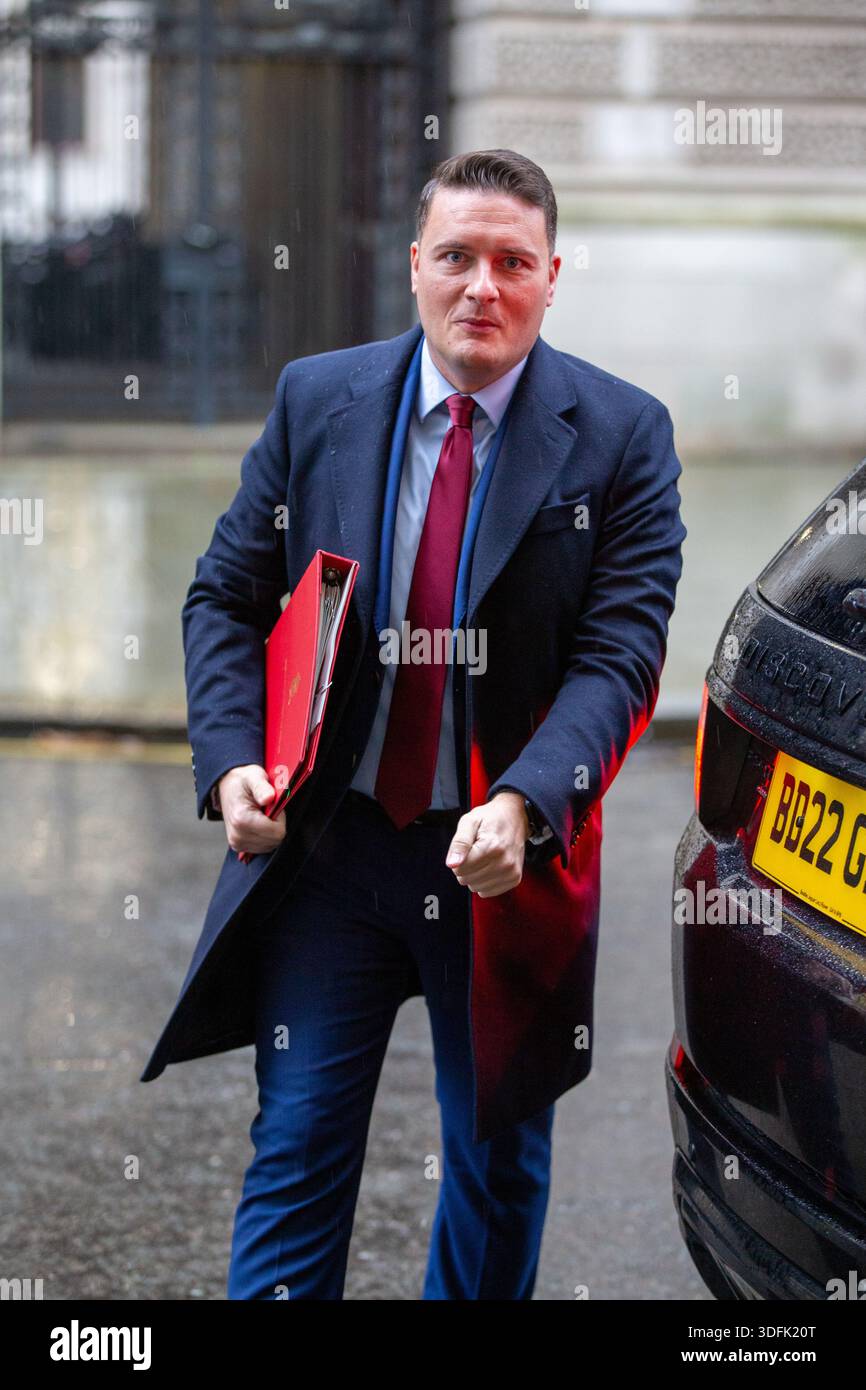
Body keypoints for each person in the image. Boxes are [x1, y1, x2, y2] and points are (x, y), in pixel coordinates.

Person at [140, 148, 687, 1300]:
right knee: (294, 1152)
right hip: (333, 850)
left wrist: (528, 801)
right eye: (455, 257)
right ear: (412, 268)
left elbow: (620, 655)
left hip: (496, 861)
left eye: (509, 262)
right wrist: (232, 760)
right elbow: (225, 597)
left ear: (549, 277)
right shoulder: (316, 400)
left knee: (492, 1169)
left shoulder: (623, 436)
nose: (479, 285)